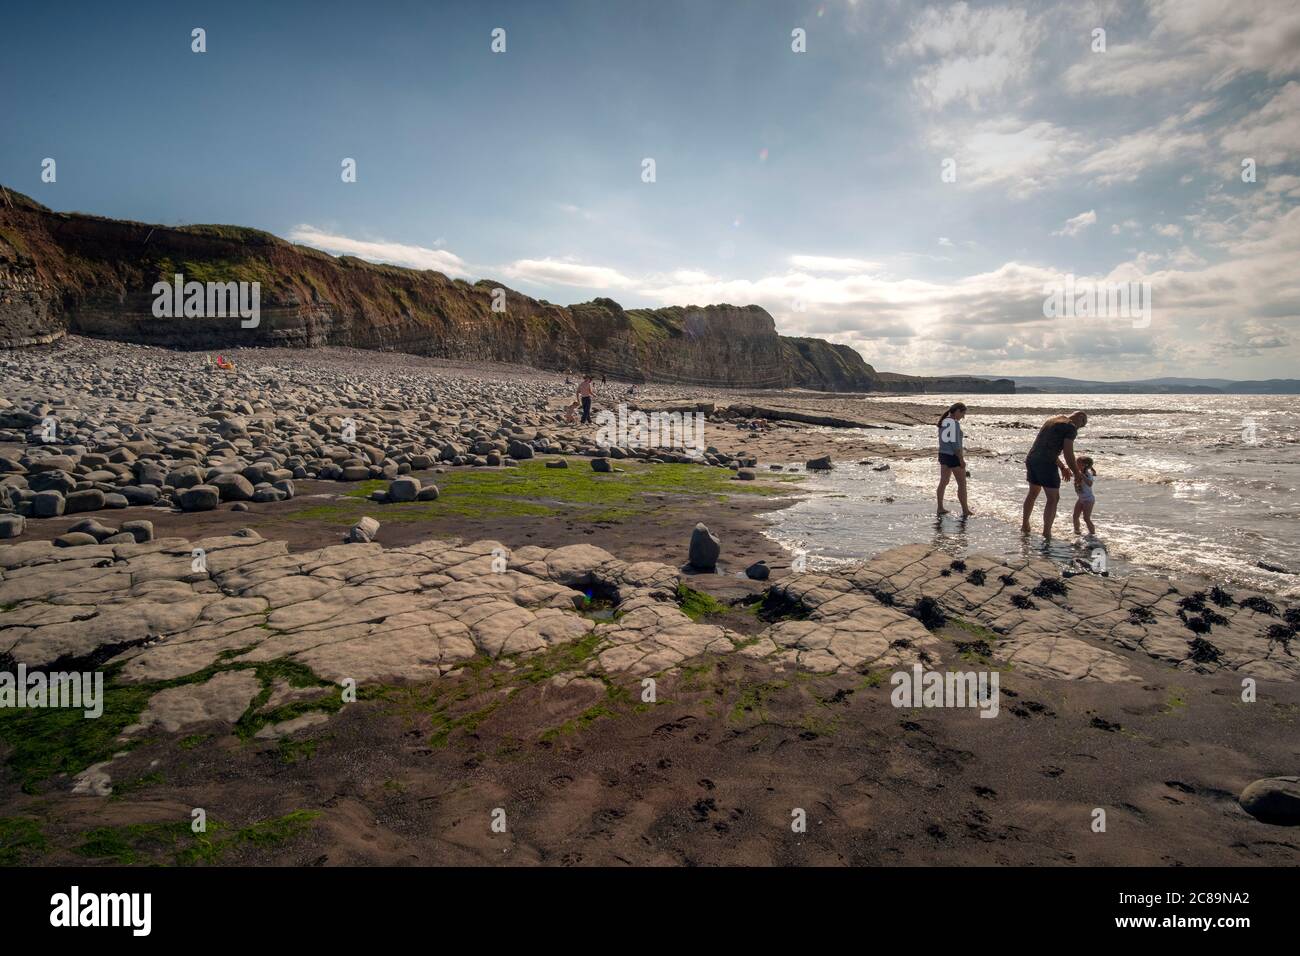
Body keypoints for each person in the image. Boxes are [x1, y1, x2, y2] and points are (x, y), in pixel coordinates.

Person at [1021, 410, 1088, 539]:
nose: (1080, 427)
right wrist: (1077, 473)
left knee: (1033, 492)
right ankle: (1046, 533)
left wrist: (1062, 467)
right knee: (1053, 498)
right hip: (1046, 463)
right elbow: (1069, 453)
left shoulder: (1052, 420)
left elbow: (1045, 447)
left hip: (1032, 458)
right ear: (1080, 417)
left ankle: (1025, 525)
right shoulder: (1071, 427)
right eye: (1083, 424)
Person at [935, 402, 973, 517]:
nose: (963, 417)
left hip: (943, 454)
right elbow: (955, 444)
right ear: (957, 411)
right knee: (962, 483)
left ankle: (940, 507)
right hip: (953, 456)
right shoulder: (953, 424)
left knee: (944, 482)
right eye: (963, 414)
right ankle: (965, 510)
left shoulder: (944, 421)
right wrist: (961, 459)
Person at [1072, 456, 1097, 536]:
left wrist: (1082, 475)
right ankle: (1077, 532)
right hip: (1081, 499)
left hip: (1088, 499)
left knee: (1086, 518)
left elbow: (1090, 484)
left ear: (1084, 465)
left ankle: (1092, 534)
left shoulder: (1087, 474)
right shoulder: (1076, 472)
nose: (1075, 464)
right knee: (1075, 516)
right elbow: (1071, 475)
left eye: (1077, 463)